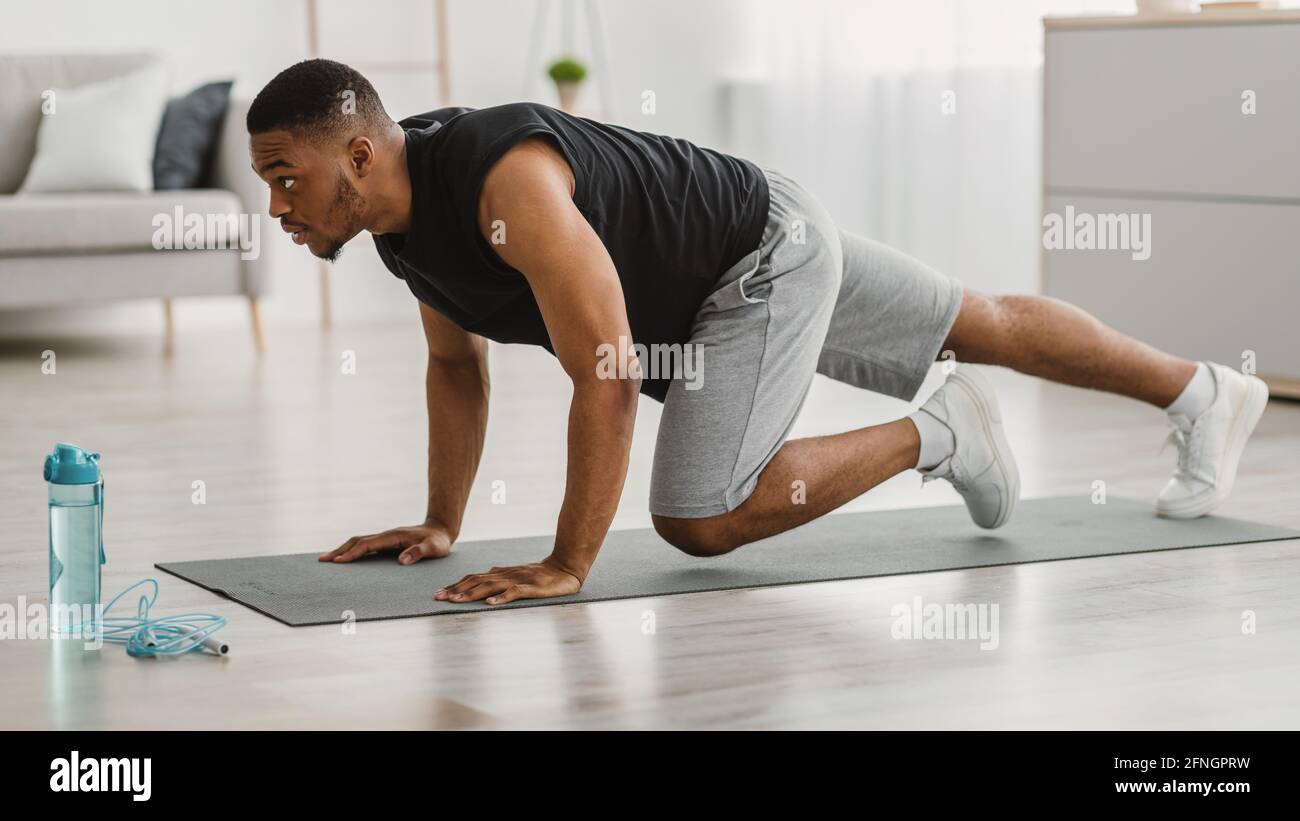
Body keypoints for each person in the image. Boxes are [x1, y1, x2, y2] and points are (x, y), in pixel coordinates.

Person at [246, 59, 1268, 606]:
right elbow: (452, 366)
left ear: (365, 155)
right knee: (980, 317)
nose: (280, 207)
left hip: (756, 258)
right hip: (760, 225)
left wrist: (566, 561)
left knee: (698, 514)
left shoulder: (503, 177)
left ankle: (942, 430)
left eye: (289, 177)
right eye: (267, 185)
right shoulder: (403, 235)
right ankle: (1203, 393)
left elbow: (604, 372)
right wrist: (439, 522)